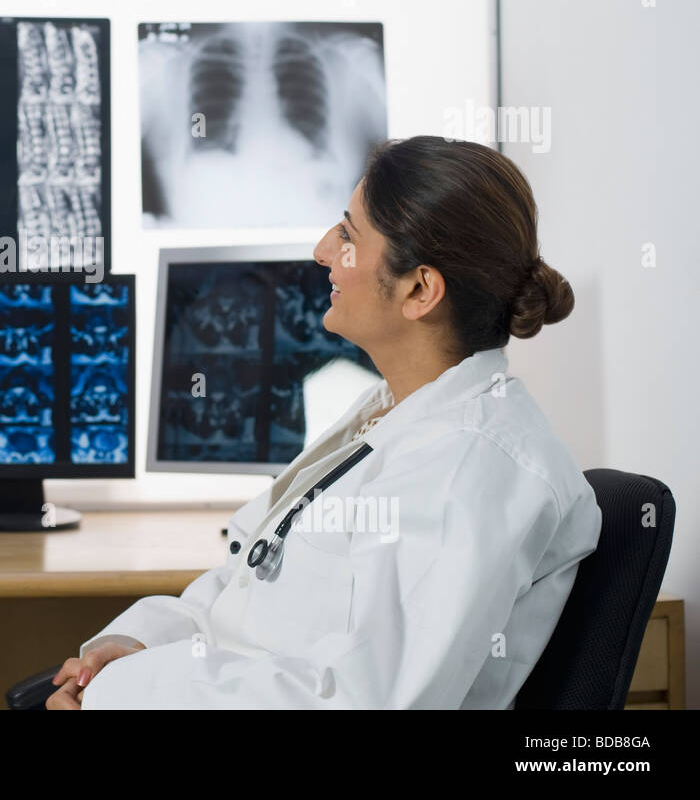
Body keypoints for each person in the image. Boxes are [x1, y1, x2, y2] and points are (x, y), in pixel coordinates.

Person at [48, 135, 601, 709]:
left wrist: (123, 694)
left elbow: (364, 703)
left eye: (348, 235)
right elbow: (252, 587)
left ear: (418, 289)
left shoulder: (475, 470)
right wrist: (142, 641)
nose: (320, 250)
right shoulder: (392, 417)